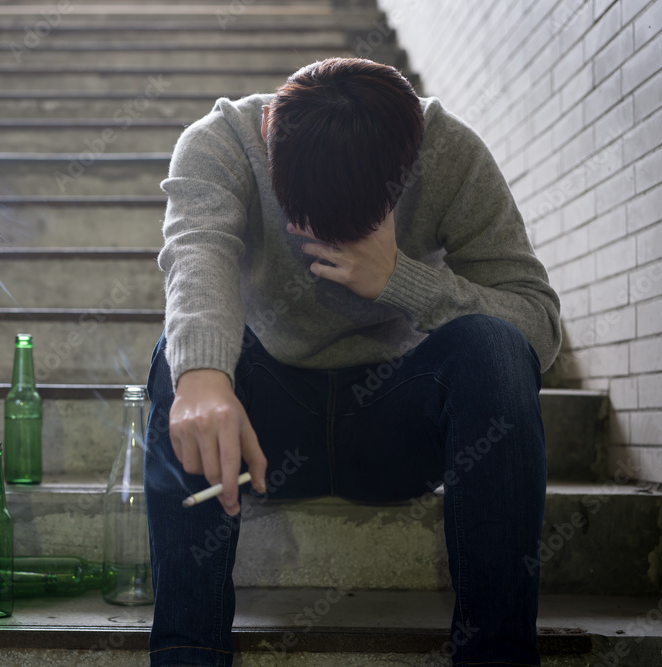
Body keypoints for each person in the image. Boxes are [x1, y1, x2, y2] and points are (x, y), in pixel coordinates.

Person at [143, 57, 561, 666]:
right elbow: (196, 259)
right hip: (268, 438)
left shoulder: (448, 151)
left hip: (395, 426)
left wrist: (401, 279)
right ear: (268, 130)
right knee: (178, 360)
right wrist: (203, 379)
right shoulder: (224, 141)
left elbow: (538, 328)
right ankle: (188, 654)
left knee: (494, 348)